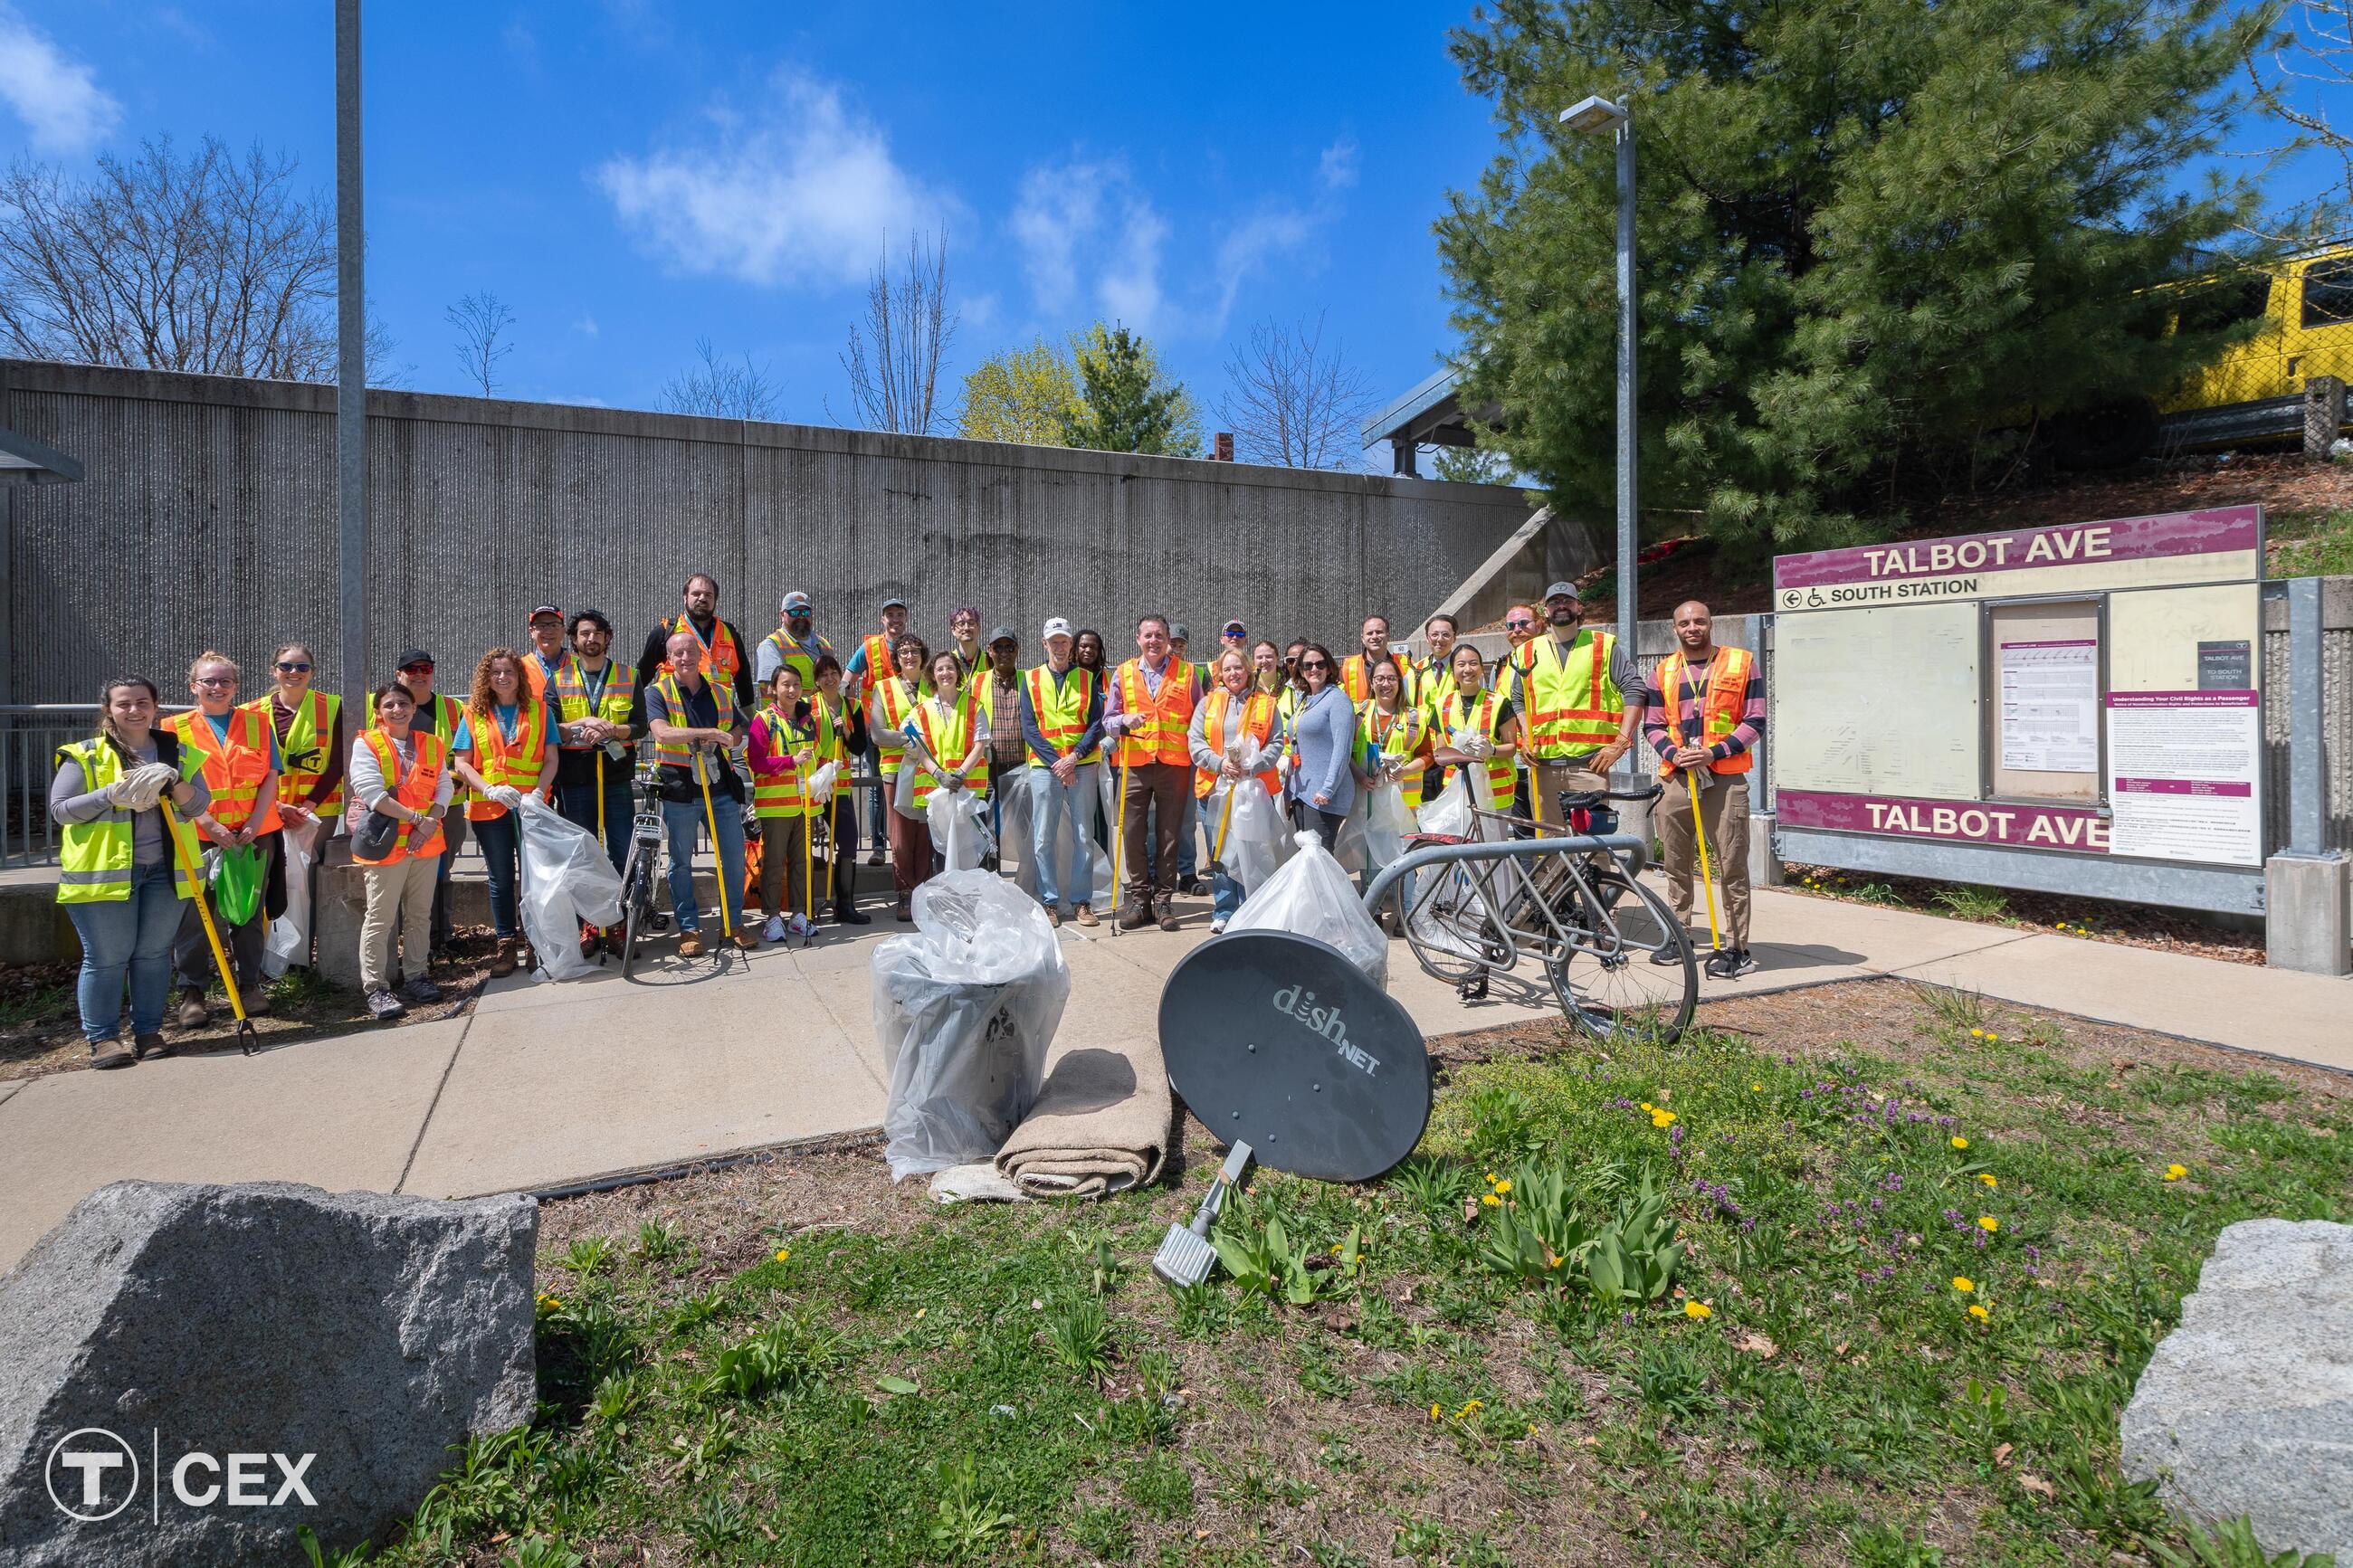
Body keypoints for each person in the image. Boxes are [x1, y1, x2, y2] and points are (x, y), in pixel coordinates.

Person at [50, 677, 211, 1068]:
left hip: (166, 872)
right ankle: (103, 1039)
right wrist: (110, 796)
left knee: (153, 955)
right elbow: (61, 810)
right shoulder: (86, 755)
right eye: (124, 704)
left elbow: (200, 805)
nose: (134, 710)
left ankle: (149, 1032)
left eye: (143, 702)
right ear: (109, 710)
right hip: (103, 876)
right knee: (106, 958)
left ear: (156, 707)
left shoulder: (179, 752)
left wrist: (175, 783)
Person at [1643, 600, 1765, 979]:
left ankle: (1736, 947)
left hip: (1724, 778)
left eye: (1699, 621)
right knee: (1675, 862)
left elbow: (1756, 720)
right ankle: (1679, 935)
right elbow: (1652, 724)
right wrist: (1674, 754)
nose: (1692, 627)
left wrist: (1713, 752)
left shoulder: (1740, 662)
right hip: (1676, 776)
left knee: (1731, 864)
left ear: (1711, 624)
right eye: (1684, 623)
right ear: (1674, 628)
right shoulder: (1662, 671)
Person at [167, 651, 283, 1027]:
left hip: (252, 834)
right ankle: (192, 993)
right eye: (209, 681)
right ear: (193, 687)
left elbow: (270, 777)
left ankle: (249, 987)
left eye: (225, 681)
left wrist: (253, 822)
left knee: (247, 912)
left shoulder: (258, 723)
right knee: (196, 917)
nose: (217, 688)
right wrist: (210, 825)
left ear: (236, 686)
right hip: (198, 835)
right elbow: (173, 785)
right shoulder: (173, 729)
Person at [348, 680, 453, 1020]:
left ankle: (417, 976)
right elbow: (371, 793)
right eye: (390, 705)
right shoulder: (368, 744)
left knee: (419, 915)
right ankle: (376, 988)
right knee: (380, 917)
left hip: (426, 844)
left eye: (403, 703)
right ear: (378, 712)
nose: (398, 709)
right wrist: (417, 819)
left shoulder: (431, 743)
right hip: (387, 846)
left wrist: (429, 823)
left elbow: (444, 787)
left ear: (413, 708)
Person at [450, 649, 557, 978]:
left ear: (519, 675)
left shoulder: (540, 711)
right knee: (499, 879)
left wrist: (539, 792)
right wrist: (489, 789)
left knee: (532, 878)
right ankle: (506, 943)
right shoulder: (473, 713)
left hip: (530, 809)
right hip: (490, 807)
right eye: (495, 672)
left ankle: (534, 943)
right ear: (486, 678)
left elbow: (551, 758)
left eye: (508, 671)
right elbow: (461, 762)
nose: (502, 677)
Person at [645, 628, 751, 955]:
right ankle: (689, 929)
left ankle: (732, 924)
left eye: (691, 651)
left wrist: (728, 738)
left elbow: (738, 729)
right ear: (669, 658)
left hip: (719, 787)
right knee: (680, 863)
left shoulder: (720, 691)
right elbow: (662, 733)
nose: (685, 658)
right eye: (678, 653)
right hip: (680, 791)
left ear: (700, 655)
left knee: (733, 859)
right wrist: (709, 733)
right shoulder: (657, 692)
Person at [1429, 641, 1523, 1002]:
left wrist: (1491, 750)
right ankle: (1471, 929)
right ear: (1452, 670)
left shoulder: (1498, 702)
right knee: (1464, 866)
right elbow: (1439, 752)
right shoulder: (1442, 705)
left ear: (1481, 668)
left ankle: (1498, 926)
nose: (1467, 669)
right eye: (1460, 665)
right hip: (1461, 795)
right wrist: (1457, 755)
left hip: (1495, 796)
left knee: (1495, 864)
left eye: (1472, 664)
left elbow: (1513, 746)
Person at [1517, 581, 1641, 833]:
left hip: (1589, 766)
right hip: (1544, 768)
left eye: (1567, 601)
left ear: (1578, 607)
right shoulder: (1527, 652)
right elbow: (1518, 698)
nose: (1561, 606)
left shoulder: (1602, 646)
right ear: (1545, 611)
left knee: (1595, 849)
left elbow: (1635, 690)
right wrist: (1527, 736)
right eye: (1554, 602)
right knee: (1548, 852)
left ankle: (1599, 875)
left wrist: (1620, 743)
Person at [549, 610, 640, 956]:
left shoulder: (628, 676)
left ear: (608, 637)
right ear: (574, 640)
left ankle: (617, 924)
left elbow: (640, 725)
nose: (591, 639)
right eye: (584, 634)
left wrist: (614, 730)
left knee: (621, 854)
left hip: (616, 780)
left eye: (598, 633)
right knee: (582, 858)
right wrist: (581, 725)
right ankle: (588, 925)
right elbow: (550, 727)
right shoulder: (558, 679)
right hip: (575, 781)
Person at [1104, 614, 1201, 931]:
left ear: (1168, 639)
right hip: (1135, 762)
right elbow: (1107, 720)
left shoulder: (1187, 673)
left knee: (1169, 835)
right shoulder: (1123, 672)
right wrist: (1123, 720)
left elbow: (1202, 716)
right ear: (1138, 639)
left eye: (1159, 635)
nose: (1153, 641)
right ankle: (1139, 900)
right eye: (1148, 635)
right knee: (1131, 832)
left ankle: (1163, 902)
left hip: (1174, 764)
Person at [376, 650, 474, 957]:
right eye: (411, 668)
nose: (420, 673)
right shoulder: (381, 705)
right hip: (397, 810)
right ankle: (406, 941)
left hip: (446, 806)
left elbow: (464, 753)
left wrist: (456, 779)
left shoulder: (453, 707)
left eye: (426, 668)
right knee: (398, 874)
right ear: (398, 674)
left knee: (441, 871)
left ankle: (440, 935)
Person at [1188, 648, 1283, 934]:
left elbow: (1277, 743)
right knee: (1219, 853)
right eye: (1227, 669)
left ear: (1249, 670)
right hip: (1215, 789)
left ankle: (1251, 908)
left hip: (1252, 791)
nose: (1233, 674)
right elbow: (1195, 741)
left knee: (1250, 849)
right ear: (1220, 673)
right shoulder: (1208, 703)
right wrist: (1219, 764)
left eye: (1238, 668)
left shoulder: (1266, 704)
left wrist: (1253, 765)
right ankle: (1224, 910)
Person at [1023, 617, 1105, 927]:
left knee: (1084, 836)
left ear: (1071, 645)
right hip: (1046, 767)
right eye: (1053, 641)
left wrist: (1074, 757)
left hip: (1081, 765)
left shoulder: (1087, 678)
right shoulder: (1030, 680)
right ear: (1044, 644)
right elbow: (1029, 729)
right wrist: (1059, 763)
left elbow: (1095, 724)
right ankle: (1049, 902)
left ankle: (1081, 902)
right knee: (1043, 836)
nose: (1059, 646)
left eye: (1064, 641)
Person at [898, 649, 989, 912]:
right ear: (932, 675)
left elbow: (980, 744)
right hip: (937, 794)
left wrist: (960, 773)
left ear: (957, 673)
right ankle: (947, 906)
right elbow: (918, 749)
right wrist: (938, 774)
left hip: (968, 791)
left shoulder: (974, 706)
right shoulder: (920, 712)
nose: (945, 673)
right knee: (941, 850)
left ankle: (973, 905)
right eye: (940, 669)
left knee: (971, 848)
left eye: (950, 668)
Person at [244, 642, 345, 844]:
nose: (294, 672)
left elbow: (338, 762)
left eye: (302, 667)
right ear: (273, 671)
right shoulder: (250, 713)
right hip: (265, 810)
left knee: (311, 871)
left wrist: (308, 806)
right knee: (271, 873)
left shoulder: (332, 706)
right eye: (285, 666)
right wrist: (278, 806)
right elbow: (246, 770)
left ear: (312, 672)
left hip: (317, 811)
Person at [748, 665, 820, 943]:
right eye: (785, 684)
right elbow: (757, 762)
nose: (792, 690)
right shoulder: (763, 720)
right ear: (773, 689)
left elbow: (813, 758)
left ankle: (799, 915)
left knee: (803, 863)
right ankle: (772, 917)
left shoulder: (806, 719)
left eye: (796, 685)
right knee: (775, 864)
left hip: (804, 805)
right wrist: (791, 761)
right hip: (777, 807)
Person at [868, 634, 933, 918]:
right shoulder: (883, 688)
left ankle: (923, 890)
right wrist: (908, 741)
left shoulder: (933, 687)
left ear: (923, 655)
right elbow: (877, 732)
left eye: (915, 651)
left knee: (925, 833)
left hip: (927, 771)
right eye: (904, 652)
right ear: (897, 659)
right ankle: (905, 892)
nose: (909, 656)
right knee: (902, 836)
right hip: (896, 771)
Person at [845, 595, 911, 867]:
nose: (895, 620)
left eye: (899, 614)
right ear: (882, 619)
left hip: (908, 732)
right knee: (876, 789)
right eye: (890, 615)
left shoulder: (911, 646)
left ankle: (904, 842)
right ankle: (878, 846)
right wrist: (853, 715)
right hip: (877, 732)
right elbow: (847, 680)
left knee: (909, 786)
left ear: (905, 618)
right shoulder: (870, 647)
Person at [807, 654, 872, 925]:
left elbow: (859, 747)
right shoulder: (806, 706)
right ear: (817, 680)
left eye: (834, 672)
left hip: (839, 785)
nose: (830, 678)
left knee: (847, 841)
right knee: (804, 843)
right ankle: (805, 907)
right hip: (812, 785)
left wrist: (845, 730)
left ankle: (845, 905)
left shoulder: (852, 706)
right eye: (824, 674)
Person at [637, 573, 755, 717]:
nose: (702, 598)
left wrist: (751, 718)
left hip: (719, 719)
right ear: (685, 597)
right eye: (696, 594)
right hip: (676, 719)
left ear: (715, 600)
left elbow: (743, 677)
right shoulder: (665, 632)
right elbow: (642, 675)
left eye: (708, 595)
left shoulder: (729, 633)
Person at [1283, 642, 1358, 847]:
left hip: (1323, 797)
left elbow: (1342, 750)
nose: (1314, 669)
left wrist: (1328, 789)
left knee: (1319, 861)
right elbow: (1297, 748)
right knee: (1302, 861)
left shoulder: (1337, 700)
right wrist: (1289, 791)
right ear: (1300, 670)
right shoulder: (1306, 700)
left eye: (1320, 664)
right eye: (1307, 666)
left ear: (1329, 667)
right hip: (1301, 793)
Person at [1163, 623, 1208, 893]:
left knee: (1187, 821)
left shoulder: (1197, 674)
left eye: (1182, 644)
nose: (1177, 648)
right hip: (1159, 757)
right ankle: (1159, 874)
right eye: (1174, 643)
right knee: (1157, 822)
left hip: (1189, 758)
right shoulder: (1154, 672)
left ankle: (1187, 872)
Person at [974, 627, 1028, 850]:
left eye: (1010, 647)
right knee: (984, 828)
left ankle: (1029, 880)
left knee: (1026, 827)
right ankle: (987, 875)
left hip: (1023, 766)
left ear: (1017, 650)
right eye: (998, 647)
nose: (1004, 652)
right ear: (989, 650)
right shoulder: (976, 682)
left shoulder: (1030, 680)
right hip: (988, 768)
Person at [755, 590, 836, 689]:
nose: (801, 616)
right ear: (782, 615)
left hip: (821, 704)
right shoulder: (771, 646)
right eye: (794, 612)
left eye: (805, 612)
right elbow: (770, 691)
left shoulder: (824, 645)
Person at [1412, 613, 1462, 717]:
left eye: (1446, 635)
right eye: (1435, 635)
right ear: (1427, 638)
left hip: (1453, 732)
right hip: (1424, 732)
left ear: (1454, 638)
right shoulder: (1415, 670)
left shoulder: (1463, 669)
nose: (1440, 639)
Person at [1338, 614, 1392, 702]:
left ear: (1388, 636)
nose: (1374, 637)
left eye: (1379, 632)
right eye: (1369, 633)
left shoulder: (1405, 665)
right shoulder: (1347, 668)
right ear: (1363, 639)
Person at [521, 605, 569, 699]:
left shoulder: (579, 664)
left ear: (563, 631)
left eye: (554, 625)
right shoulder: (519, 667)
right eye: (541, 626)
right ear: (531, 631)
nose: (548, 631)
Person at [946, 606, 985, 683]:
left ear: (979, 628)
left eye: (971, 623)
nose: (966, 628)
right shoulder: (947, 662)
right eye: (961, 624)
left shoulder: (991, 661)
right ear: (953, 630)